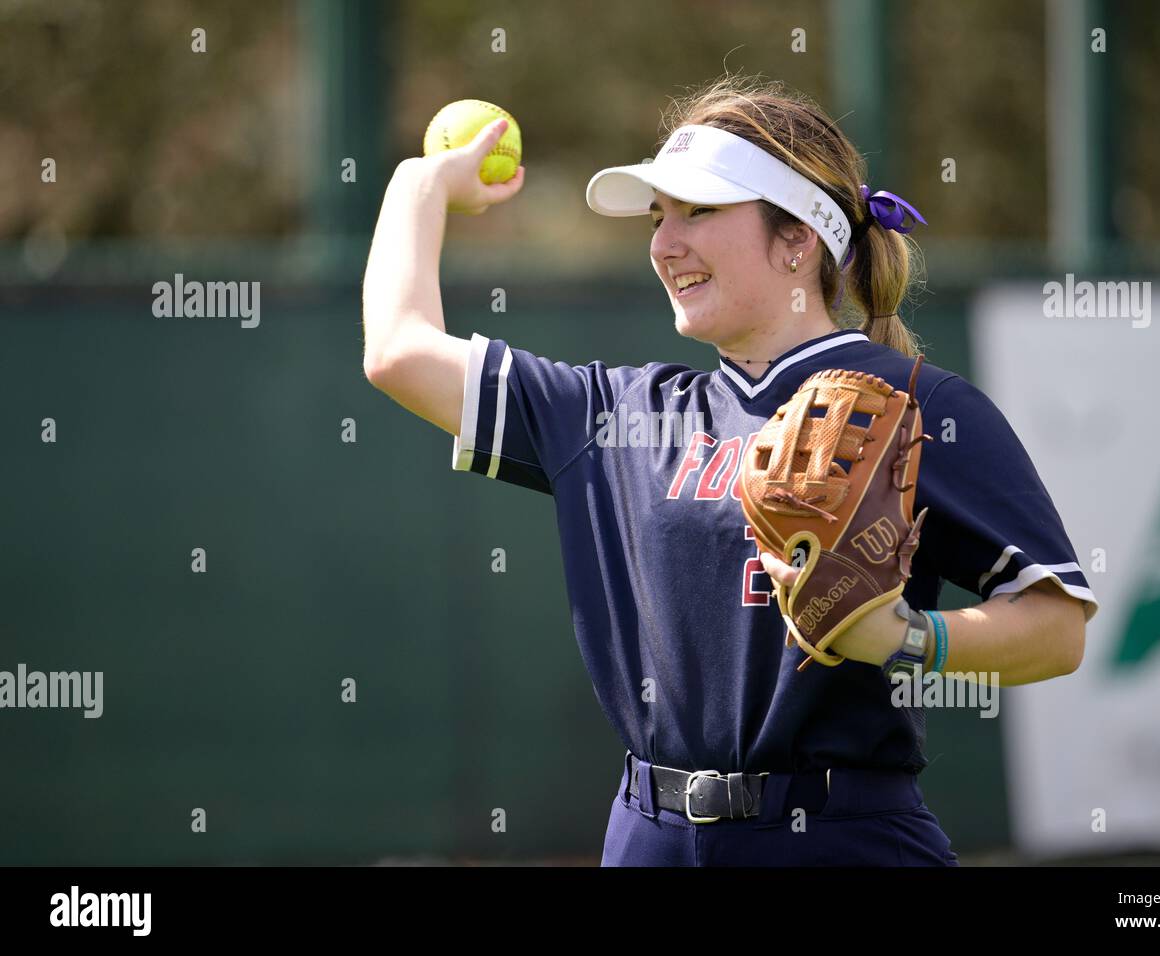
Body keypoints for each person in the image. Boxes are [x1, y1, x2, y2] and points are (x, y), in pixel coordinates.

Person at [361, 75, 1097, 866]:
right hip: (649, 836)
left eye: (699, 210)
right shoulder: (619, 413)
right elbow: (398, 350)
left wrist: (908, 639)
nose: (665, 244)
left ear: (798, 240)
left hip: (839, 837)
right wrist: (420, 184)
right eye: (658, 217)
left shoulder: (912, 404)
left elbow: (1056, 629)